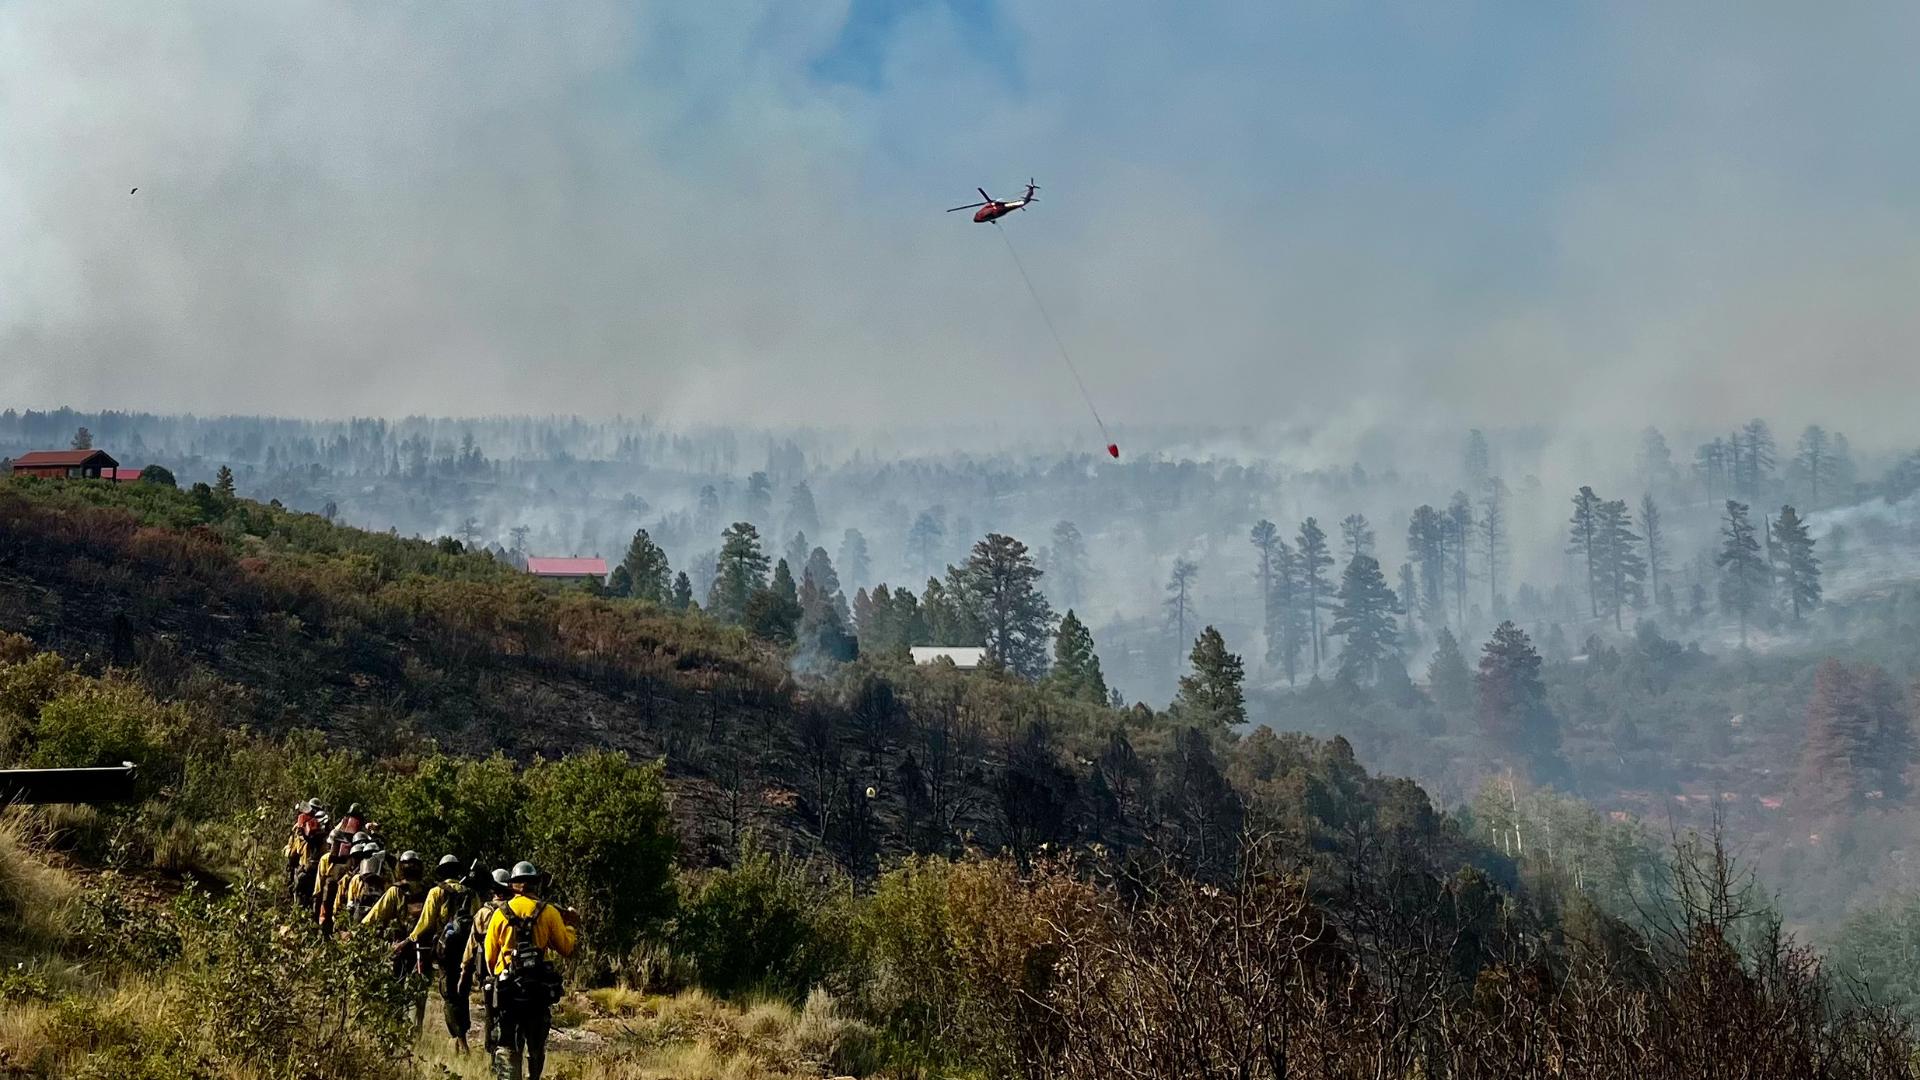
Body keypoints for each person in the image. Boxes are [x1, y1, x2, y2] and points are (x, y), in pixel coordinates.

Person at [483, 861, 578, 1080]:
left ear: (513, 885)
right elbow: (566, 947)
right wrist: (572, 926)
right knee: (536, 1047)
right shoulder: (549, 912)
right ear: (535, 884)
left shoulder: (499, 914)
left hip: (508, 993)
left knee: (507, 1045)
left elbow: (490, 958)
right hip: (537, 992)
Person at [409, 855, 479, 1053]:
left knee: (448, 994)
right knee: (462, 993)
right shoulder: (471, 893)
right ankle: (462, 1035)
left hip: (445, 950)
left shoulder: (436, 892)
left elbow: (426, 922)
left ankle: (459, 1039)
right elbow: (478, 920)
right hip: (467, 950)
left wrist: (410, 939)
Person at [363, 850, 433, 1030]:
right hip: (423, 949)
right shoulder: (430, 891)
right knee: (419, 993)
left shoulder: (395, 891)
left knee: (397, 987)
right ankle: (414, 1032)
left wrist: (355, 932)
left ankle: (395, 1027)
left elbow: (374, 916)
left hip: (400, 948)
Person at [463, 869, 514, 1057]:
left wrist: (464, 971)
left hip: (488, 972)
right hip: (512, 970)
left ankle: (491, 1052)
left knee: (491, 1014)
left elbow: (472, 944)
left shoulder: (483, 913)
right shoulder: (516, 909)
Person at [312, 827, 356, 932]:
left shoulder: (349, 860)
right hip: (327, 899)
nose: (329, 847)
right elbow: (319, 885)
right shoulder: (325, 859)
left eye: (332, 845)